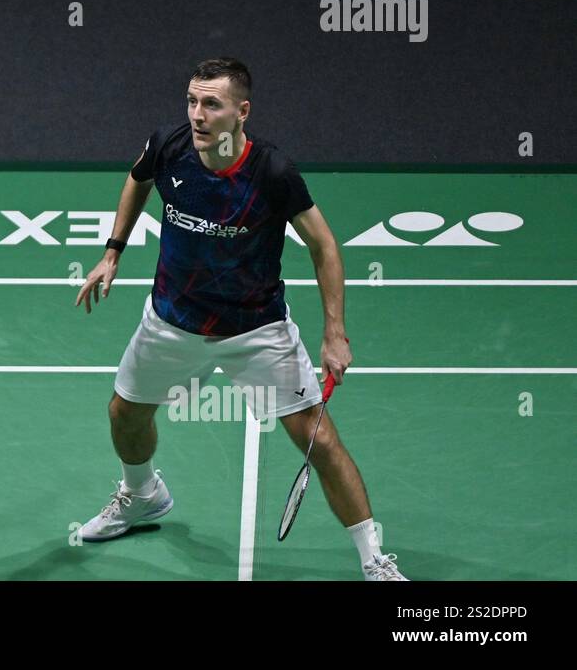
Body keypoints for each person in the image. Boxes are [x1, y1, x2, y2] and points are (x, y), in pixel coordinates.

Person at [73, 57, 407, 581]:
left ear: (242, 111)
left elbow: (323, 244)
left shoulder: (271, 171)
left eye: (212, 104)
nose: (197, 114)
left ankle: (375, 560)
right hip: (171, 322)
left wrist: (334, 333)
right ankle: (142, 496)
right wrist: (113, 250)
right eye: (191, 101)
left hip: (256, 331)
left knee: (318, 439)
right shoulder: (169, 145)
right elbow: (138, 180)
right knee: (124, 414)